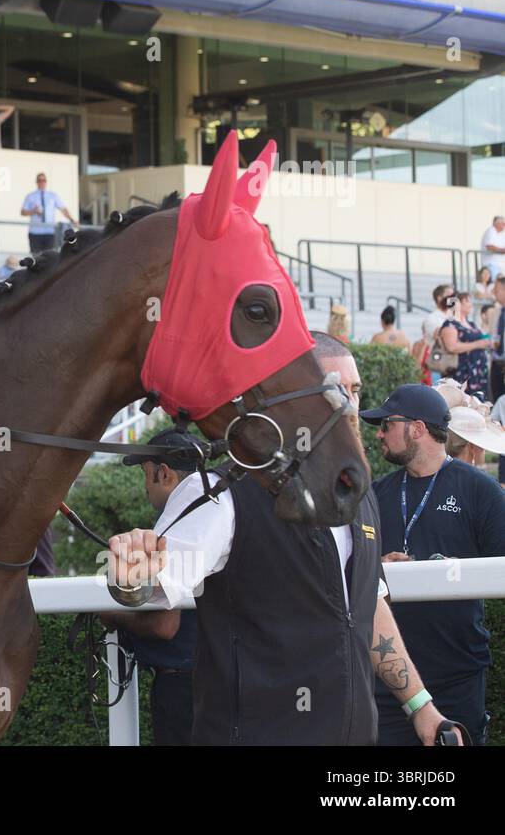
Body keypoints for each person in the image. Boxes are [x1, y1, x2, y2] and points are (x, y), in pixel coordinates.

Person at [109, 335, 467, 744]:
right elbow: (157, 586)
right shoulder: (222, 492)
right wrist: (131, 573)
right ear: (288, 397)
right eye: (335, 390)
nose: (350, 405)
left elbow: (366, 604)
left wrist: (421, 707)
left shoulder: (359, 492)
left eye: (355, 390)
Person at [362, 385, 505, 745]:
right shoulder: (378, 494)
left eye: (387, 424)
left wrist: (450, 572)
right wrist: (379, 566)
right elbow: (355, 571)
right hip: (391, 681)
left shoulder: (479, 490)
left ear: (417, 428)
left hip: (457, 675)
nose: (379, 433)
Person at [100, 432, 202, 745]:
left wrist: (110, 612)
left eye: (146, 474)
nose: (146, 485)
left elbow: (163, 625)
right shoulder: (216, 516)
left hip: (183, 690)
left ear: (164, 473)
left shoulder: (172, 526)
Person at [439, 290, 492, 398]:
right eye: (467, 301)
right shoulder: (450, 324)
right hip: (462, 373)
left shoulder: (471, 324)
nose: (470, 304)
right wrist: (477, 344)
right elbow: (451, 347)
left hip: (478, 373)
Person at [20, 173, 74, 254]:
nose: (42, 182)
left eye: (44, 180)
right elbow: (23, 212)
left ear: (46, 182)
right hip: (35, 232)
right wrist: (33, 211)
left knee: (49, 258)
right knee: (36, 259)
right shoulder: (30, 196)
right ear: (36, 182)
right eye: (39, 180)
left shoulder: (53, 196)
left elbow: (63, 209)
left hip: (50, 232)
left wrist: (72, 220)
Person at [412, 283, 454, 379]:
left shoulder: (454, 316)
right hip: (437, 365)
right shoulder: (431, 318)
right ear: (439, 298)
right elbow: (439, 336)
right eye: (449, 295)